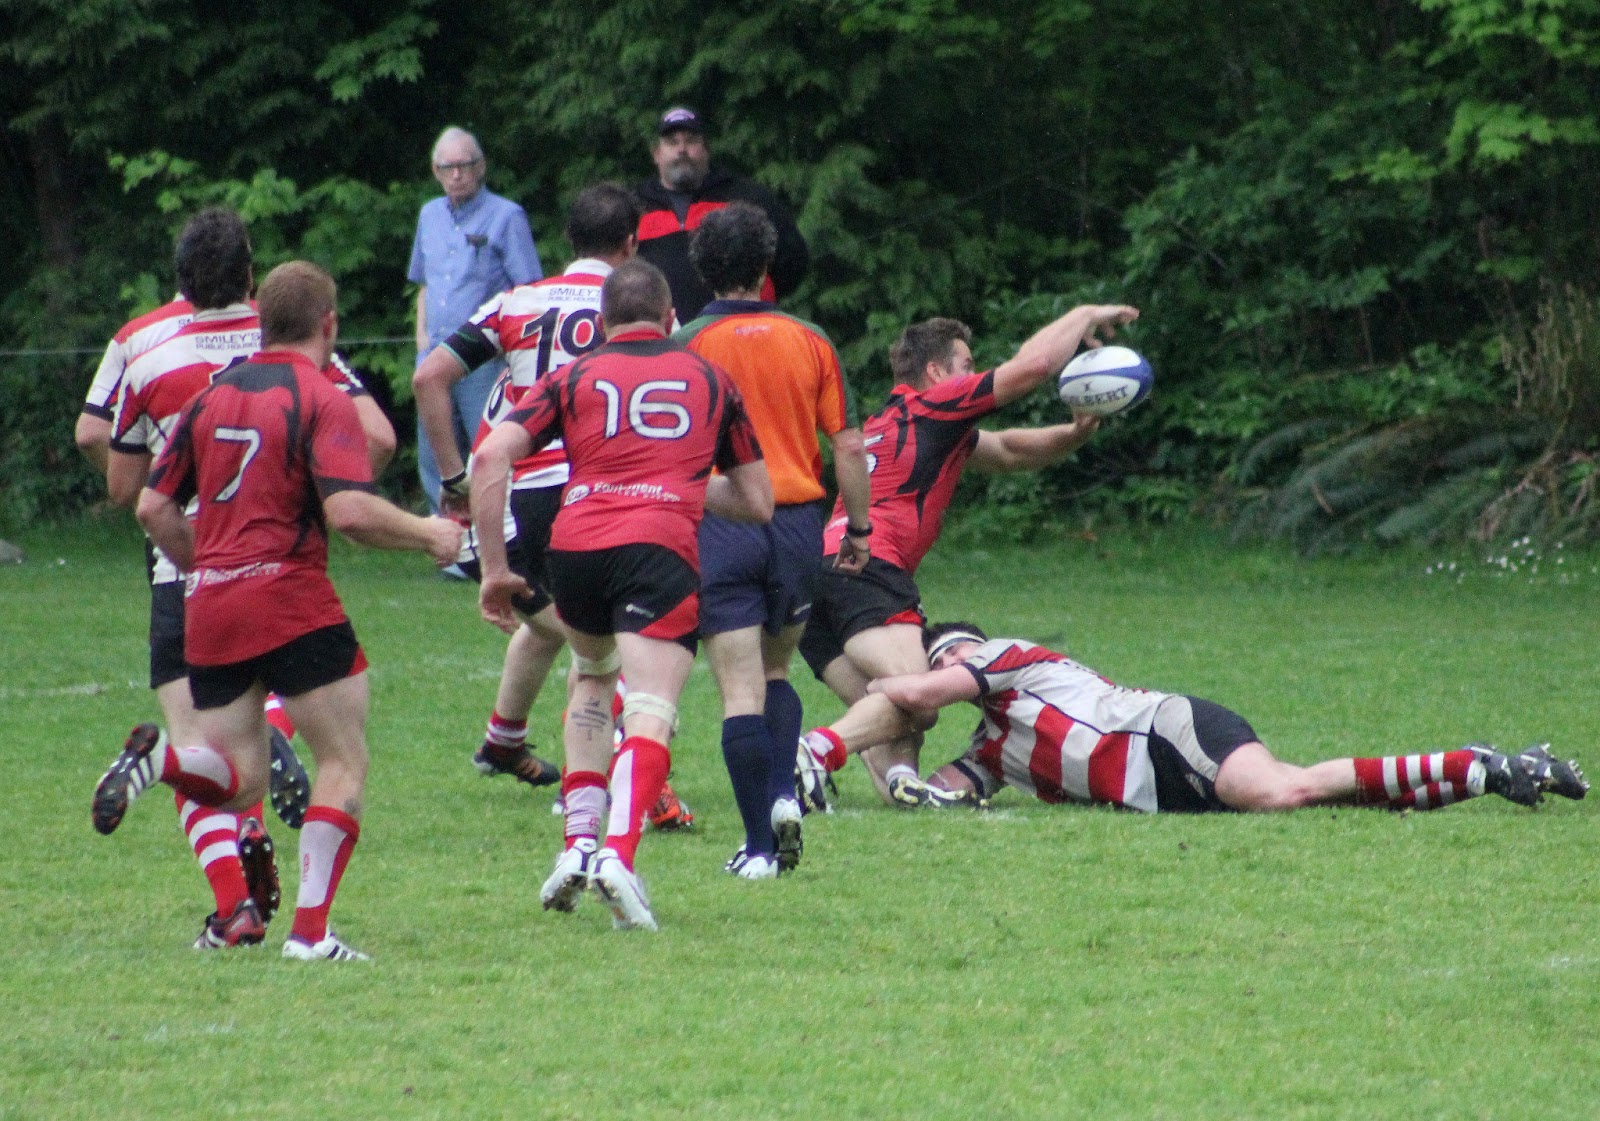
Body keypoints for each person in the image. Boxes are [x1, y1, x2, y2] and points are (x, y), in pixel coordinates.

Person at [93, 260, 464, 961]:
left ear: (261, 319)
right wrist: (428, 534)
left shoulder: (211, 395)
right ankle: (311, 932)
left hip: (210, 605)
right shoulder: (319, 394)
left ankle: (164, 759)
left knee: (239, 782)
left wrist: (205, 564)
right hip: (291, 597)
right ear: (328, 324)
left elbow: (150, 504)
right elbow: (350, 511)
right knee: (343, 760)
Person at [471, 258, 773, 931]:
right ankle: (617, 854)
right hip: (657, 547)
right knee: (652, 707)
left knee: (592, 678)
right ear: (670, 319)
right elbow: (756, 500)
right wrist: (681, 486)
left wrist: (494, 566)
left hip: (574, 547)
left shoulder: (573, 374)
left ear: (602, 325)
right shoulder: (709, 379)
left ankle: (578, 842)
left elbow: (491, 456)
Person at [794, 307, 1134, 808]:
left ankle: (901, 786)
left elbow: (1007, 451)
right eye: (966, 364)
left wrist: (1072, 434)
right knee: (920, 699)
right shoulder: (935, 407)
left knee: (890, 710)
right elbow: (1034, 366)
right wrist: (1084, 314)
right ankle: (810, 752)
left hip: (817, 577)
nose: (972, 376)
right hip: (868, 567)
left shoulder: (892, 420)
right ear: (936, 373)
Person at [799, 620, 1590, 814]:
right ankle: (1486, 766)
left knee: (1288, 791)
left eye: (950, 655)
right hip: (1161, 789)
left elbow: (910, 696)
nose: (948, 668)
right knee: (1304, 792)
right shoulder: (995, 747)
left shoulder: (1005, 656)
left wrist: (830, 745)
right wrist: (913, 786)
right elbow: (950, 789)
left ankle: (1479, 765)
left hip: (1169, 730)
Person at [673, 202, 872, 878]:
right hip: (795, 523)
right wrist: (860, 526)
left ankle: (759, 846)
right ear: (765, 268)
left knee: (737, 688)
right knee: (779, 669)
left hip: (722, 521)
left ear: (702, 268)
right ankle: (785, 792)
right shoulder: (810, 338)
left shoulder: (685, 343)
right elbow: (847, 444)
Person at [409, 126, 542, 514]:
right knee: (435, 456)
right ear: (435, 171)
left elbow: (528, 290)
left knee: (488, 449)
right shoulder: (428, 215)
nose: (456, 175)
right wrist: (421, 344)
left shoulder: (506, 216)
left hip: (483, 358)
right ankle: (447, 543)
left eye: (465, 165)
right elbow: (423, 285)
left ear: (480, 166)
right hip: (434, 354)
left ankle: (497, 535)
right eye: (447, 167)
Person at [635, 106, 808, 322]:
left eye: (691, 141)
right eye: (672, 142)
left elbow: (794, 260)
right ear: (656, 154)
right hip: (659, 339)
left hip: (739, 330)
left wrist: (760, 299)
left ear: (706, 149)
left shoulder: (747, 198)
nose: (682, 150)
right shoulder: (635, 205)